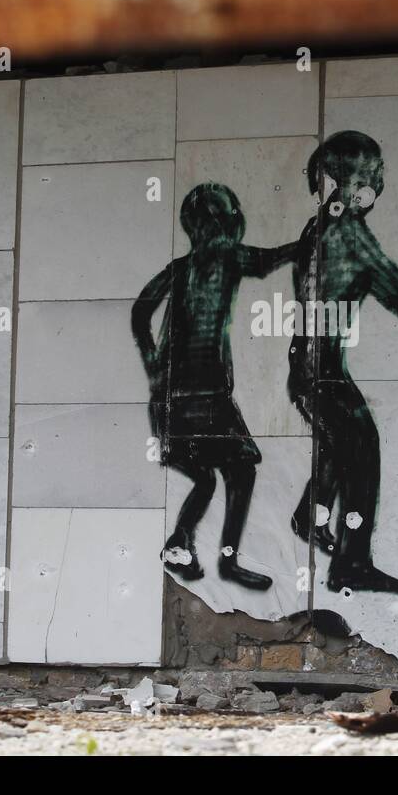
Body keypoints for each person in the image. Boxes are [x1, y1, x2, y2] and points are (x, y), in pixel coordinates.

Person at [287, 131, 398, 595]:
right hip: (321, 369)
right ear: (356, 186)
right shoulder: (349, 231)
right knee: (361, 446)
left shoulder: (318, 228)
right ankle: (351, 564)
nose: (378, 185)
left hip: (308, 367)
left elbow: (381, 281)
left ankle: (311, 516)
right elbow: (390, 280)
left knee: (342, 442)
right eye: (374, 175)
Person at [132, 182, 297, 590]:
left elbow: (141, 309)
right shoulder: (225, 255)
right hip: (205, 395)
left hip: (168, 400)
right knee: (240, 469)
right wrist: (308, 240)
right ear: (225, 221)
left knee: (206, 478)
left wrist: (153, 362)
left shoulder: (181, 267)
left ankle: (181, 541)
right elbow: (267, 260)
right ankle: (227, 560)